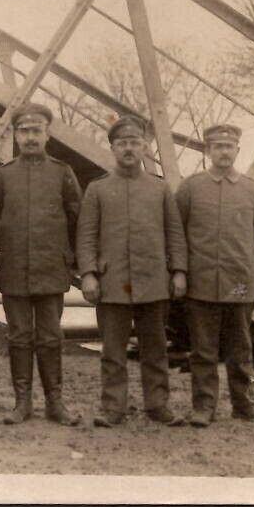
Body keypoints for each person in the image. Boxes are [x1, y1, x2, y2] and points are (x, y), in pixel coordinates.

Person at [76, 114, 188, 427]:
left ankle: (158, 406)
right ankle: (113, 408)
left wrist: (178, 271)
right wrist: (88, 274)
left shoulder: (160, 189)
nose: (128, 148)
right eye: (122, 143)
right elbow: (86, 236)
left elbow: (175, 233)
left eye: (134, 143)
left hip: (153, 282)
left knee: (155, 349)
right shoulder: (97, 189)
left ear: (144, 147)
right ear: (112, 147)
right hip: (112, 282)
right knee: (113, 351)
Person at [0, 102, 82, 426]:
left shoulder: (62, 173)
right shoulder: (2, 175)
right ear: (15, 135)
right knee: (18, 336)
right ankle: (22, 402)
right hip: (13, 268)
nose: (30, 137)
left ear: (48, 134)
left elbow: (77, 219)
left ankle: (55, 402)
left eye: (36, 131)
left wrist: (71, 260)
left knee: (50, 336)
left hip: (51, 270)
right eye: (24, 131)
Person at [175, 123, 254, 425]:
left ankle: (244, 405)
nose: (223, 152)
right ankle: (204, 407)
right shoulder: (190, 187)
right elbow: (176, 234)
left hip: (239, 283)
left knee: (241, 349)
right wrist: (179, 272)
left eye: (229, 147)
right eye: (217, 147)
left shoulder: (252, 188)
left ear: (237, 151)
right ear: (208, 151)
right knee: (203, 350)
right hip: (201, 283)